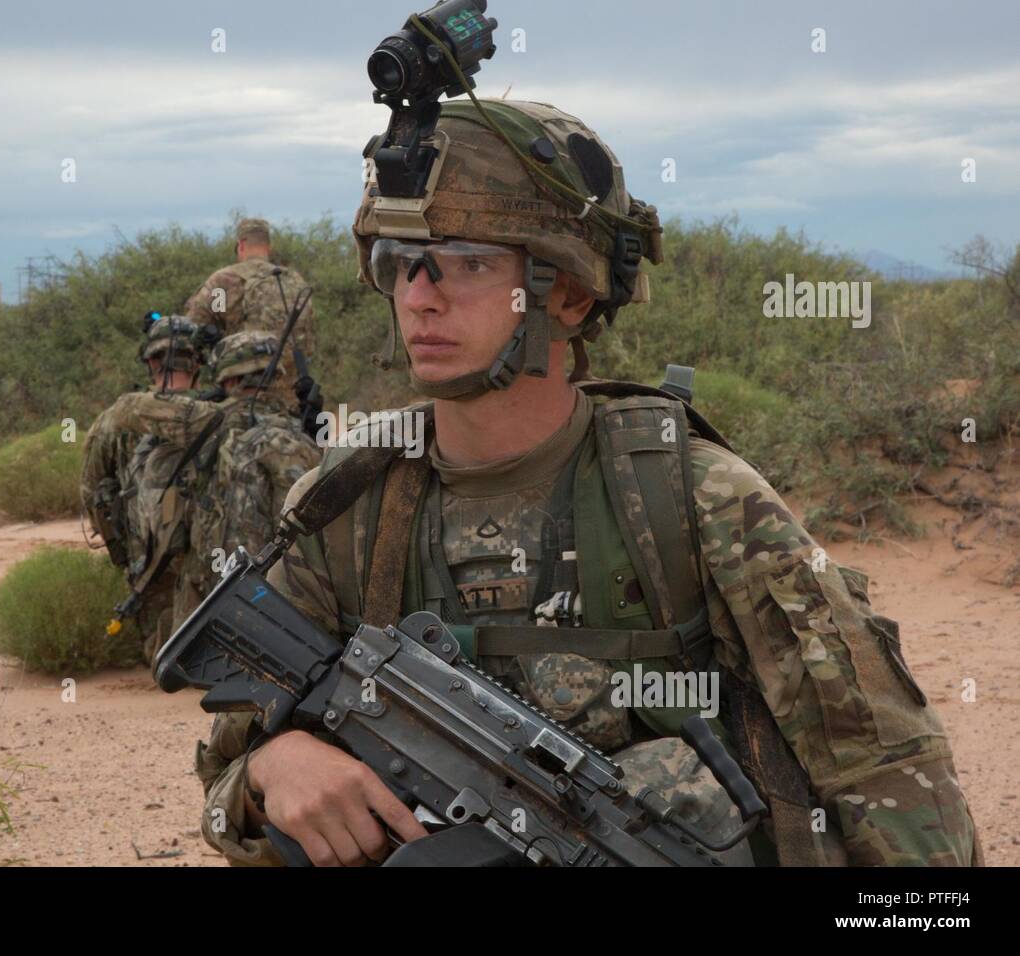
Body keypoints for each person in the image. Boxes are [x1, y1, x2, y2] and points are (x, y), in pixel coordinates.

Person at [191, 99, 980, 868]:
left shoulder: (697, 499)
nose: (419, 297)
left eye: (468, 263)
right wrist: (275, 768)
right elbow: (227, 780)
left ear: (566, 292)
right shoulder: (345, 504)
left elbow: (883, 770)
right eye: (399, 265)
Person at [103, 330, 319, 658]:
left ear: (227, 379)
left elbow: (125, 409)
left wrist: (197, 402)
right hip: (284, 593)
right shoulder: (297, 431)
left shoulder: (206, 418)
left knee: (179, 657)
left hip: (211, 587)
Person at [80, 313, 207, 660]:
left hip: (149, 565)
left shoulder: (115, 418)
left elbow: (92, 493)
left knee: (166, 653)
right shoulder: (218, 413)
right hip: (215, 562)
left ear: (150, 361)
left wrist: (123, 551)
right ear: (198, 361)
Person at [183, 218, 317, 361]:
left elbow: (197, 324)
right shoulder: (293, 279)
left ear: (240, 245)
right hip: (294, 375)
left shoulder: (223, 282)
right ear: (268, 248)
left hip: (244, 376)